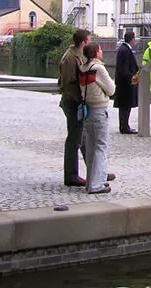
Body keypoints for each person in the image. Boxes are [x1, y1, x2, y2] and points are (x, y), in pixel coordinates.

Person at [79, 43, 116, 194]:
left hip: (87, 110)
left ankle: (92, 181)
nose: (102, 52)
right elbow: (111, 89)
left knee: (90, 147)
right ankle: (96, 185)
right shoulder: (98, 68)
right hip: (99, 109)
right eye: (100, 50)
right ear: (96, 52)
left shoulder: (83, 68)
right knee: (101, 146)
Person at [58, 29, 90, 187]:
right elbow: (68, 83)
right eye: (89, 40)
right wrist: (80, 100)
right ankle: (71, 176)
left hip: (76, 102)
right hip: (72, 103)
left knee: (83, 138)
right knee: (74, 140)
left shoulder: (77, 55)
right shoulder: (70, 58)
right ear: (83, 42)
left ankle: (96, 171)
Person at [114, 31, 140, 134]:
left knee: (125, 106)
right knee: (125, 106)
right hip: (126, 84)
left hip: (124, 83)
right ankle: (124, 127)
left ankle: (124, 126)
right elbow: (124, 68)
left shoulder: (123, 49)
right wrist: (132, 77)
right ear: (132, 39)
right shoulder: (125, 50)